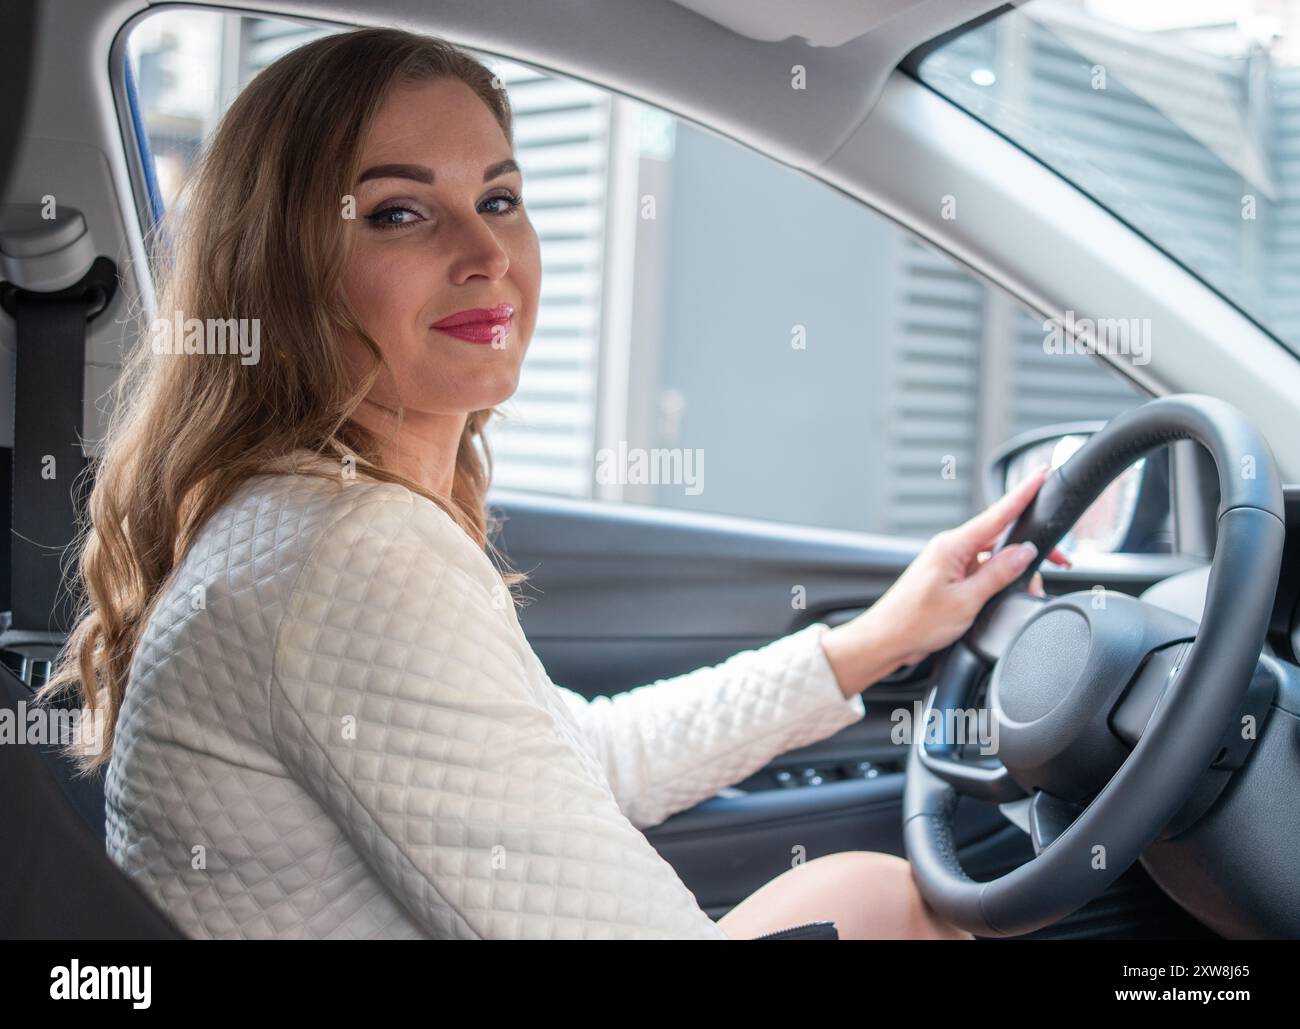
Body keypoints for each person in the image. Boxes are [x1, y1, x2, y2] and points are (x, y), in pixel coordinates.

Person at [41, 27, 1066, 940]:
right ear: (280, 267)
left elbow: (578, 760)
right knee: (886, 903)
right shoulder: (345, 553)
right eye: (400, 213)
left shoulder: (300, 517)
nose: (487, 251)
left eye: (498, 199)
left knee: (872, 897)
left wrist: (870, 644)